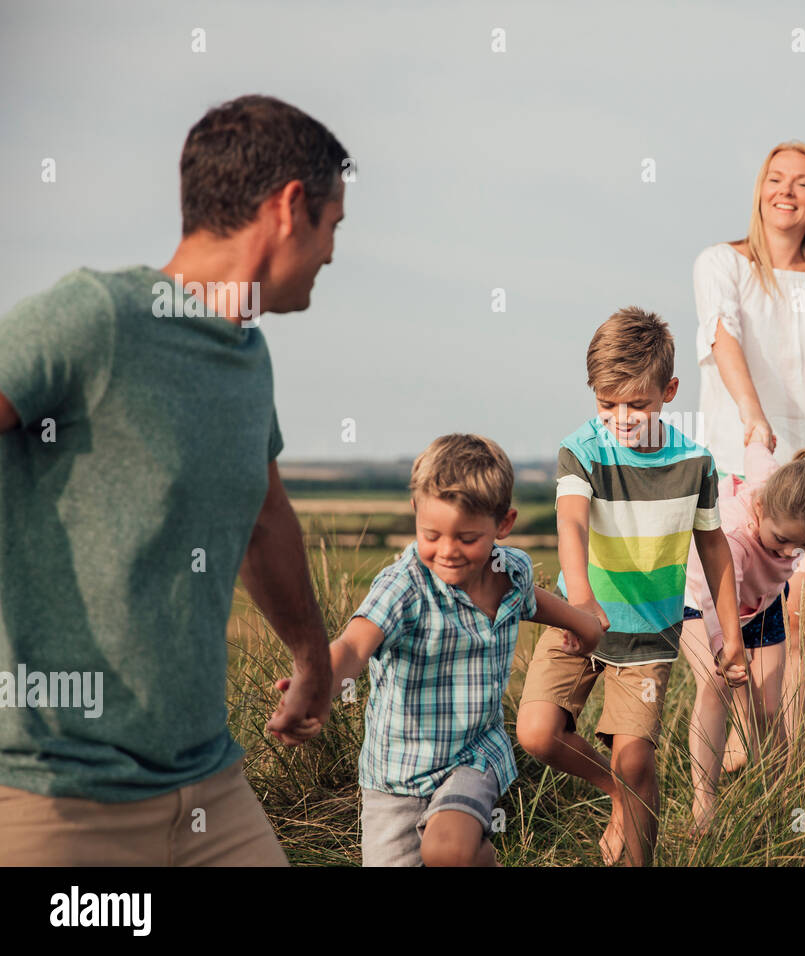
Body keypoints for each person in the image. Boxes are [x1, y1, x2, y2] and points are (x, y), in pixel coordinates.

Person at [0, 94, 345, 865]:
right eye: (334, 226)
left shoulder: (247, 358)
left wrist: (311, 658)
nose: (332, 252)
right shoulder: (96, 317)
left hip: (210, 791)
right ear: (290, 208)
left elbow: (265, 517)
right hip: (54, 799)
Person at [272, 435, 606, 866]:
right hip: (395, 778)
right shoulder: (403, 587)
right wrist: (315, 685)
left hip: (474, 757)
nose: (447, 551)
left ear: (503, 524)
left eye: (467, 538)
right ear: (415, 512)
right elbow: (355, 645)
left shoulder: (510, 570)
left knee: (448, 850)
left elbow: (531, 599)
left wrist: (583, 624)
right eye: (432, 534)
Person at [514, 307, 746, 866]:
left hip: (648, 638)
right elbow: (570, 520)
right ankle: (619, 795)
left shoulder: (695, 462)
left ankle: (637, 835)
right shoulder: (583, 450)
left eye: (637, 404)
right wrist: (581, 602)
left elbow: (714, 548)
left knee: (637, 760)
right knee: (538, 734)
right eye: (606, 402)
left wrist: (730, 634)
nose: (620, 417)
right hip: (578, 620)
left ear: (668, 391)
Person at [692, 140, 805, 768]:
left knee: (798, 618)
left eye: (803, 183)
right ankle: (729, 730)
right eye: (775, 179)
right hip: (740, 456)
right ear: (759, 189)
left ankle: (784, 768)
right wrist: (752, 412)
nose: (787, 191)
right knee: (733, 612)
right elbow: (721, 336)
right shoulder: (720, 263)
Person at [680, 440, 805, 833]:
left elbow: (758, 455)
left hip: (762, 607)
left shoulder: (776, 489)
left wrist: (756, 431)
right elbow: (714, 595)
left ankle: (778, 799)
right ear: (760, 507)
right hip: (703, 602)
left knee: (767, 709)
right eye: (781, 540)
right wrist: (726, 646)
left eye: (804, 546)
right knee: (716, 683)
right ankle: (704, 804)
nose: (789, 553)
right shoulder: (731, 533)